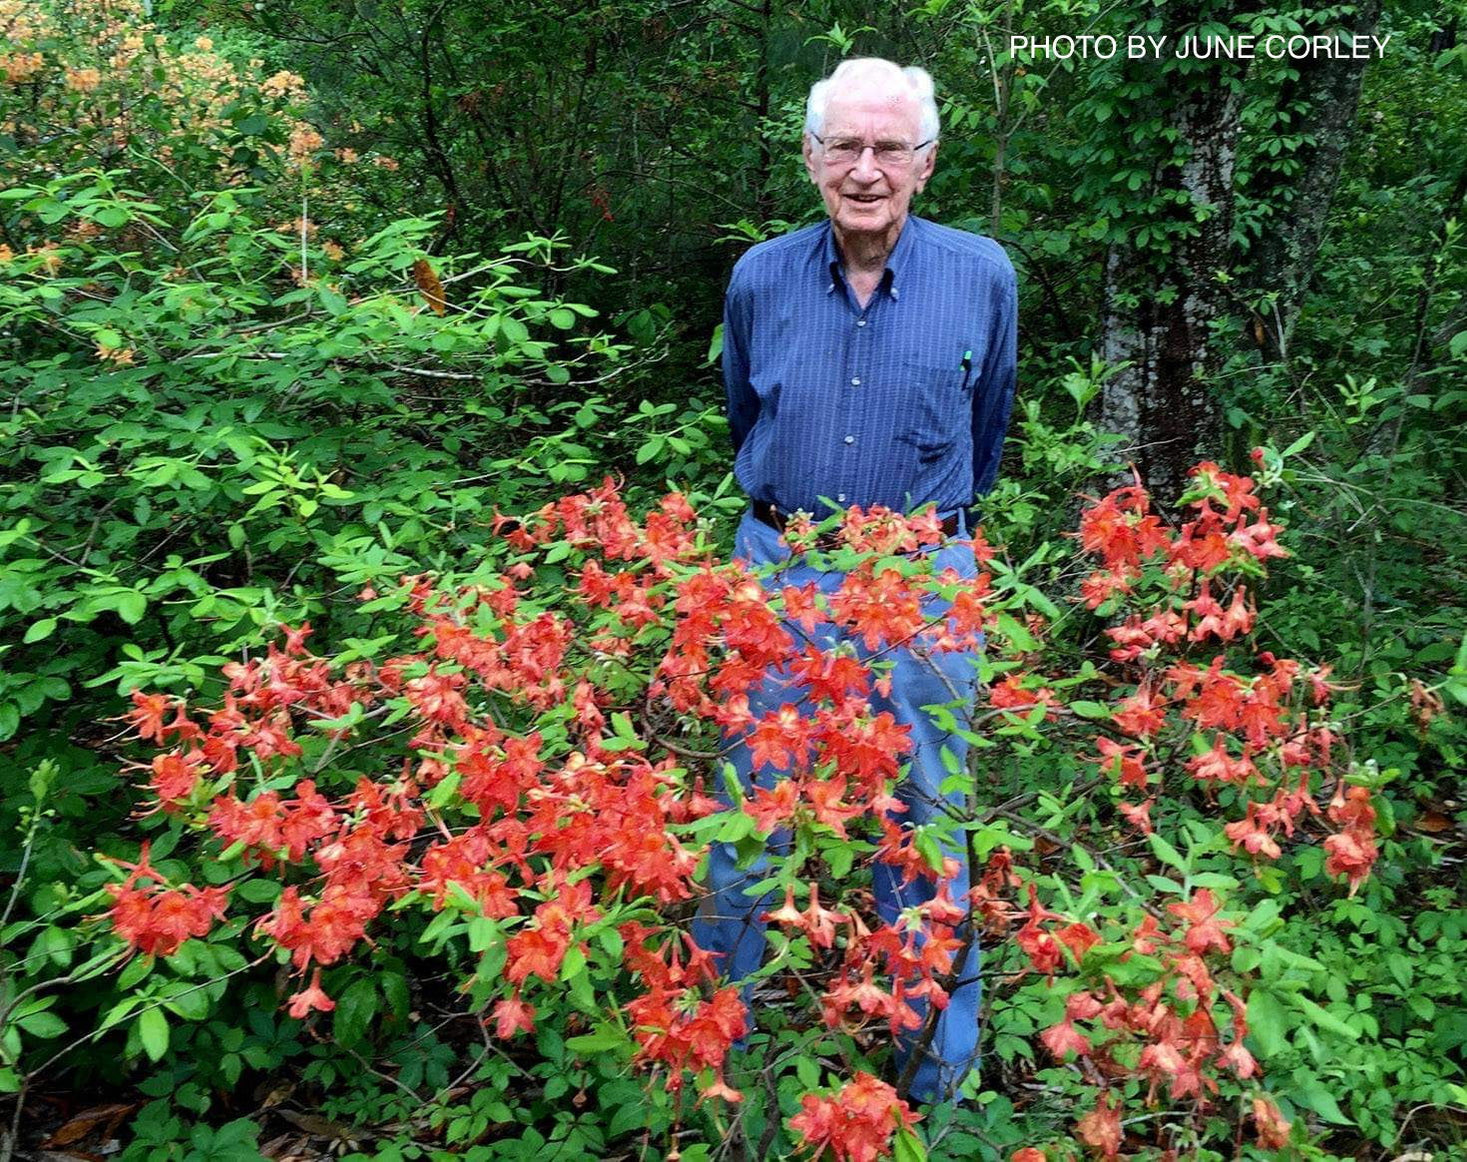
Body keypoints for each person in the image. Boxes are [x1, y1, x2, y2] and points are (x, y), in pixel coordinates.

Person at [690, 58, 1019, 1105]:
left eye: (888, 148)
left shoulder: (983, 275)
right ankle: (717, 1066)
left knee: (924, 822)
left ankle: (933, 1082)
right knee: (750, 818)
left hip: (926, 577)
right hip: (779, 572)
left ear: (925, 162)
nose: (865, 169)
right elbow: (750, 415)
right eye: (845, 146)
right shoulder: (760, 277)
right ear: (811, 157)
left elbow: (989, 431)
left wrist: (926, 541)